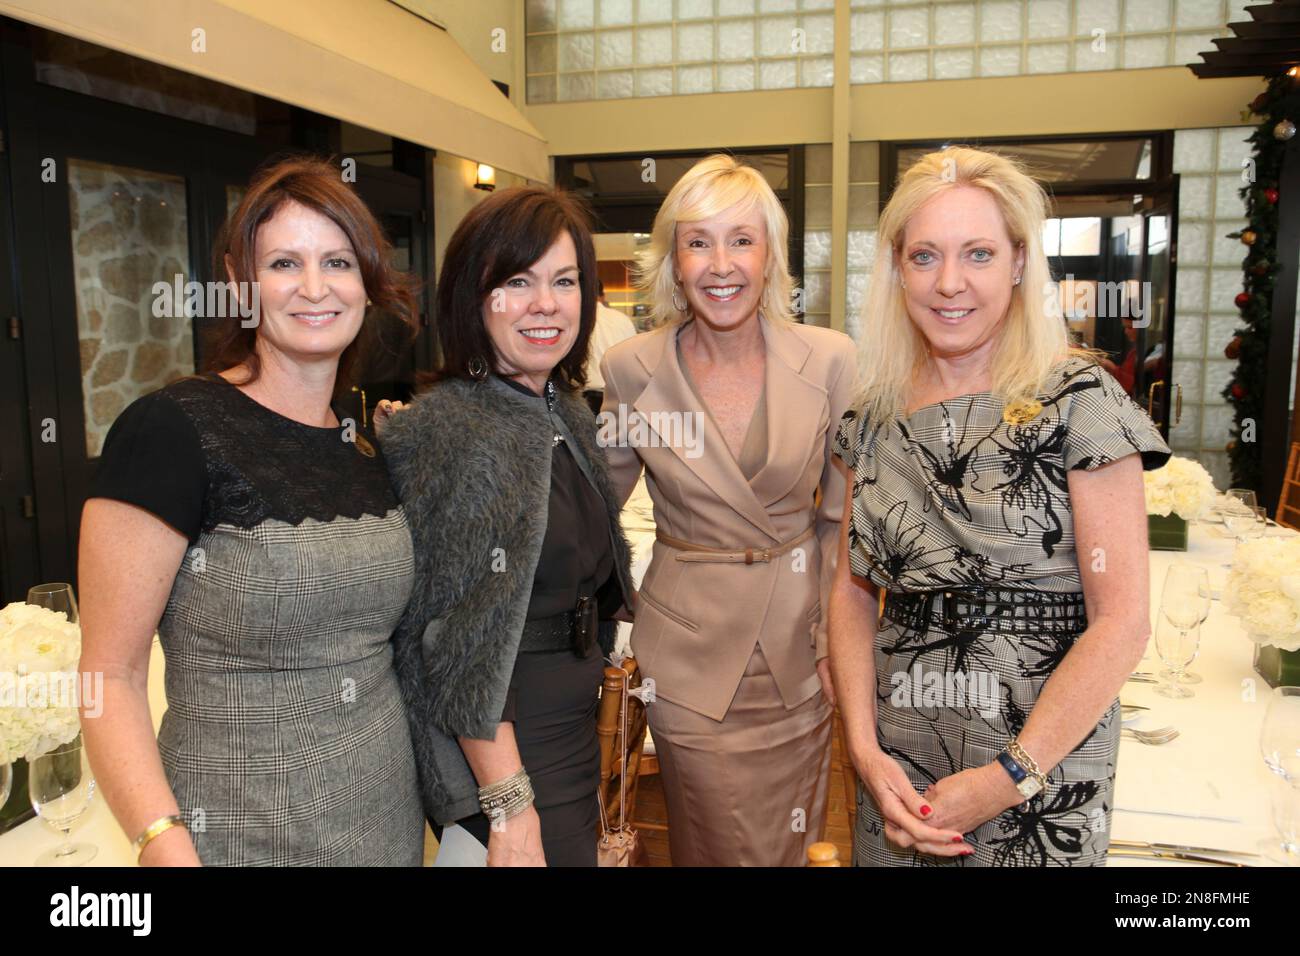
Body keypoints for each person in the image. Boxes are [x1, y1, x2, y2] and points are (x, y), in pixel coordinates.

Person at [828, 146, 1171, 867]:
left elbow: (1123, 621)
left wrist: (1012, 773)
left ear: (1019, 262)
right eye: (924, 257)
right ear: (897, 268)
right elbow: (852, 593)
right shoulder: (871, 416)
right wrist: (861, 746)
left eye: (977, 254)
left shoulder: (1079, 402)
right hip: (898, 764)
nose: (949, 283)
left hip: (1043, 760)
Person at [78, 156, 424, 865]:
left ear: (366, 284)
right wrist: (160, 844)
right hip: (235, 837)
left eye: (337, 261)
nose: (314, 287)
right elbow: (108, 676)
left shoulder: (363, 445)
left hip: (388, 825)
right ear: (240, 285)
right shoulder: (171, 430)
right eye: (284, 264)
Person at [599, 154, 857, 866]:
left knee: (790, 844)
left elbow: (841, 521)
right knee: (711, 845)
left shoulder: (831, 360)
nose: (721, 264)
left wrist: (836, 637)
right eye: (698, 241)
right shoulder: (632, 368)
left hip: (797, 651)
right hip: (689, 656)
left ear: (770, 254)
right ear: (673, 261)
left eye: (741, 239)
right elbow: (594, 505)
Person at [380, 186, 635, 867]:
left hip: (566, 723)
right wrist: (509, 801)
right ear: (474, 297)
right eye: (517, 283)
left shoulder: (562, 411)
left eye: (564, 281)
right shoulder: (456, 428)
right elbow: (452, 641)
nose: (545, 304)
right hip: (509, 746)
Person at [582, 280, 638, 414]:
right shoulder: (623, 319)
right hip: (620, 397)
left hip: (586, 399)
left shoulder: (580, 321)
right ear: (603, 296)